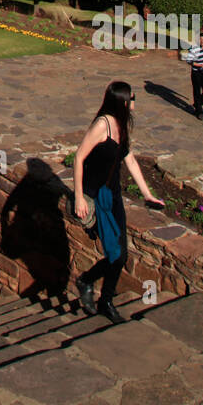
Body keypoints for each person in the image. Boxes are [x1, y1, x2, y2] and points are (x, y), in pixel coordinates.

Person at [73, 81, 164, 324]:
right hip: (97, 195)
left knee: (121, 255)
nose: (134, 103)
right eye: (132, 98)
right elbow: (79, 157)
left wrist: (147, 194)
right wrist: (79, 197)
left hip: (112, 195)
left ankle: (96, 290)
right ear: (122, 102)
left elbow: (130, 160)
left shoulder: (122, 125)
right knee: (115, 253)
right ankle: (99, 293)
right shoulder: (102, 125)